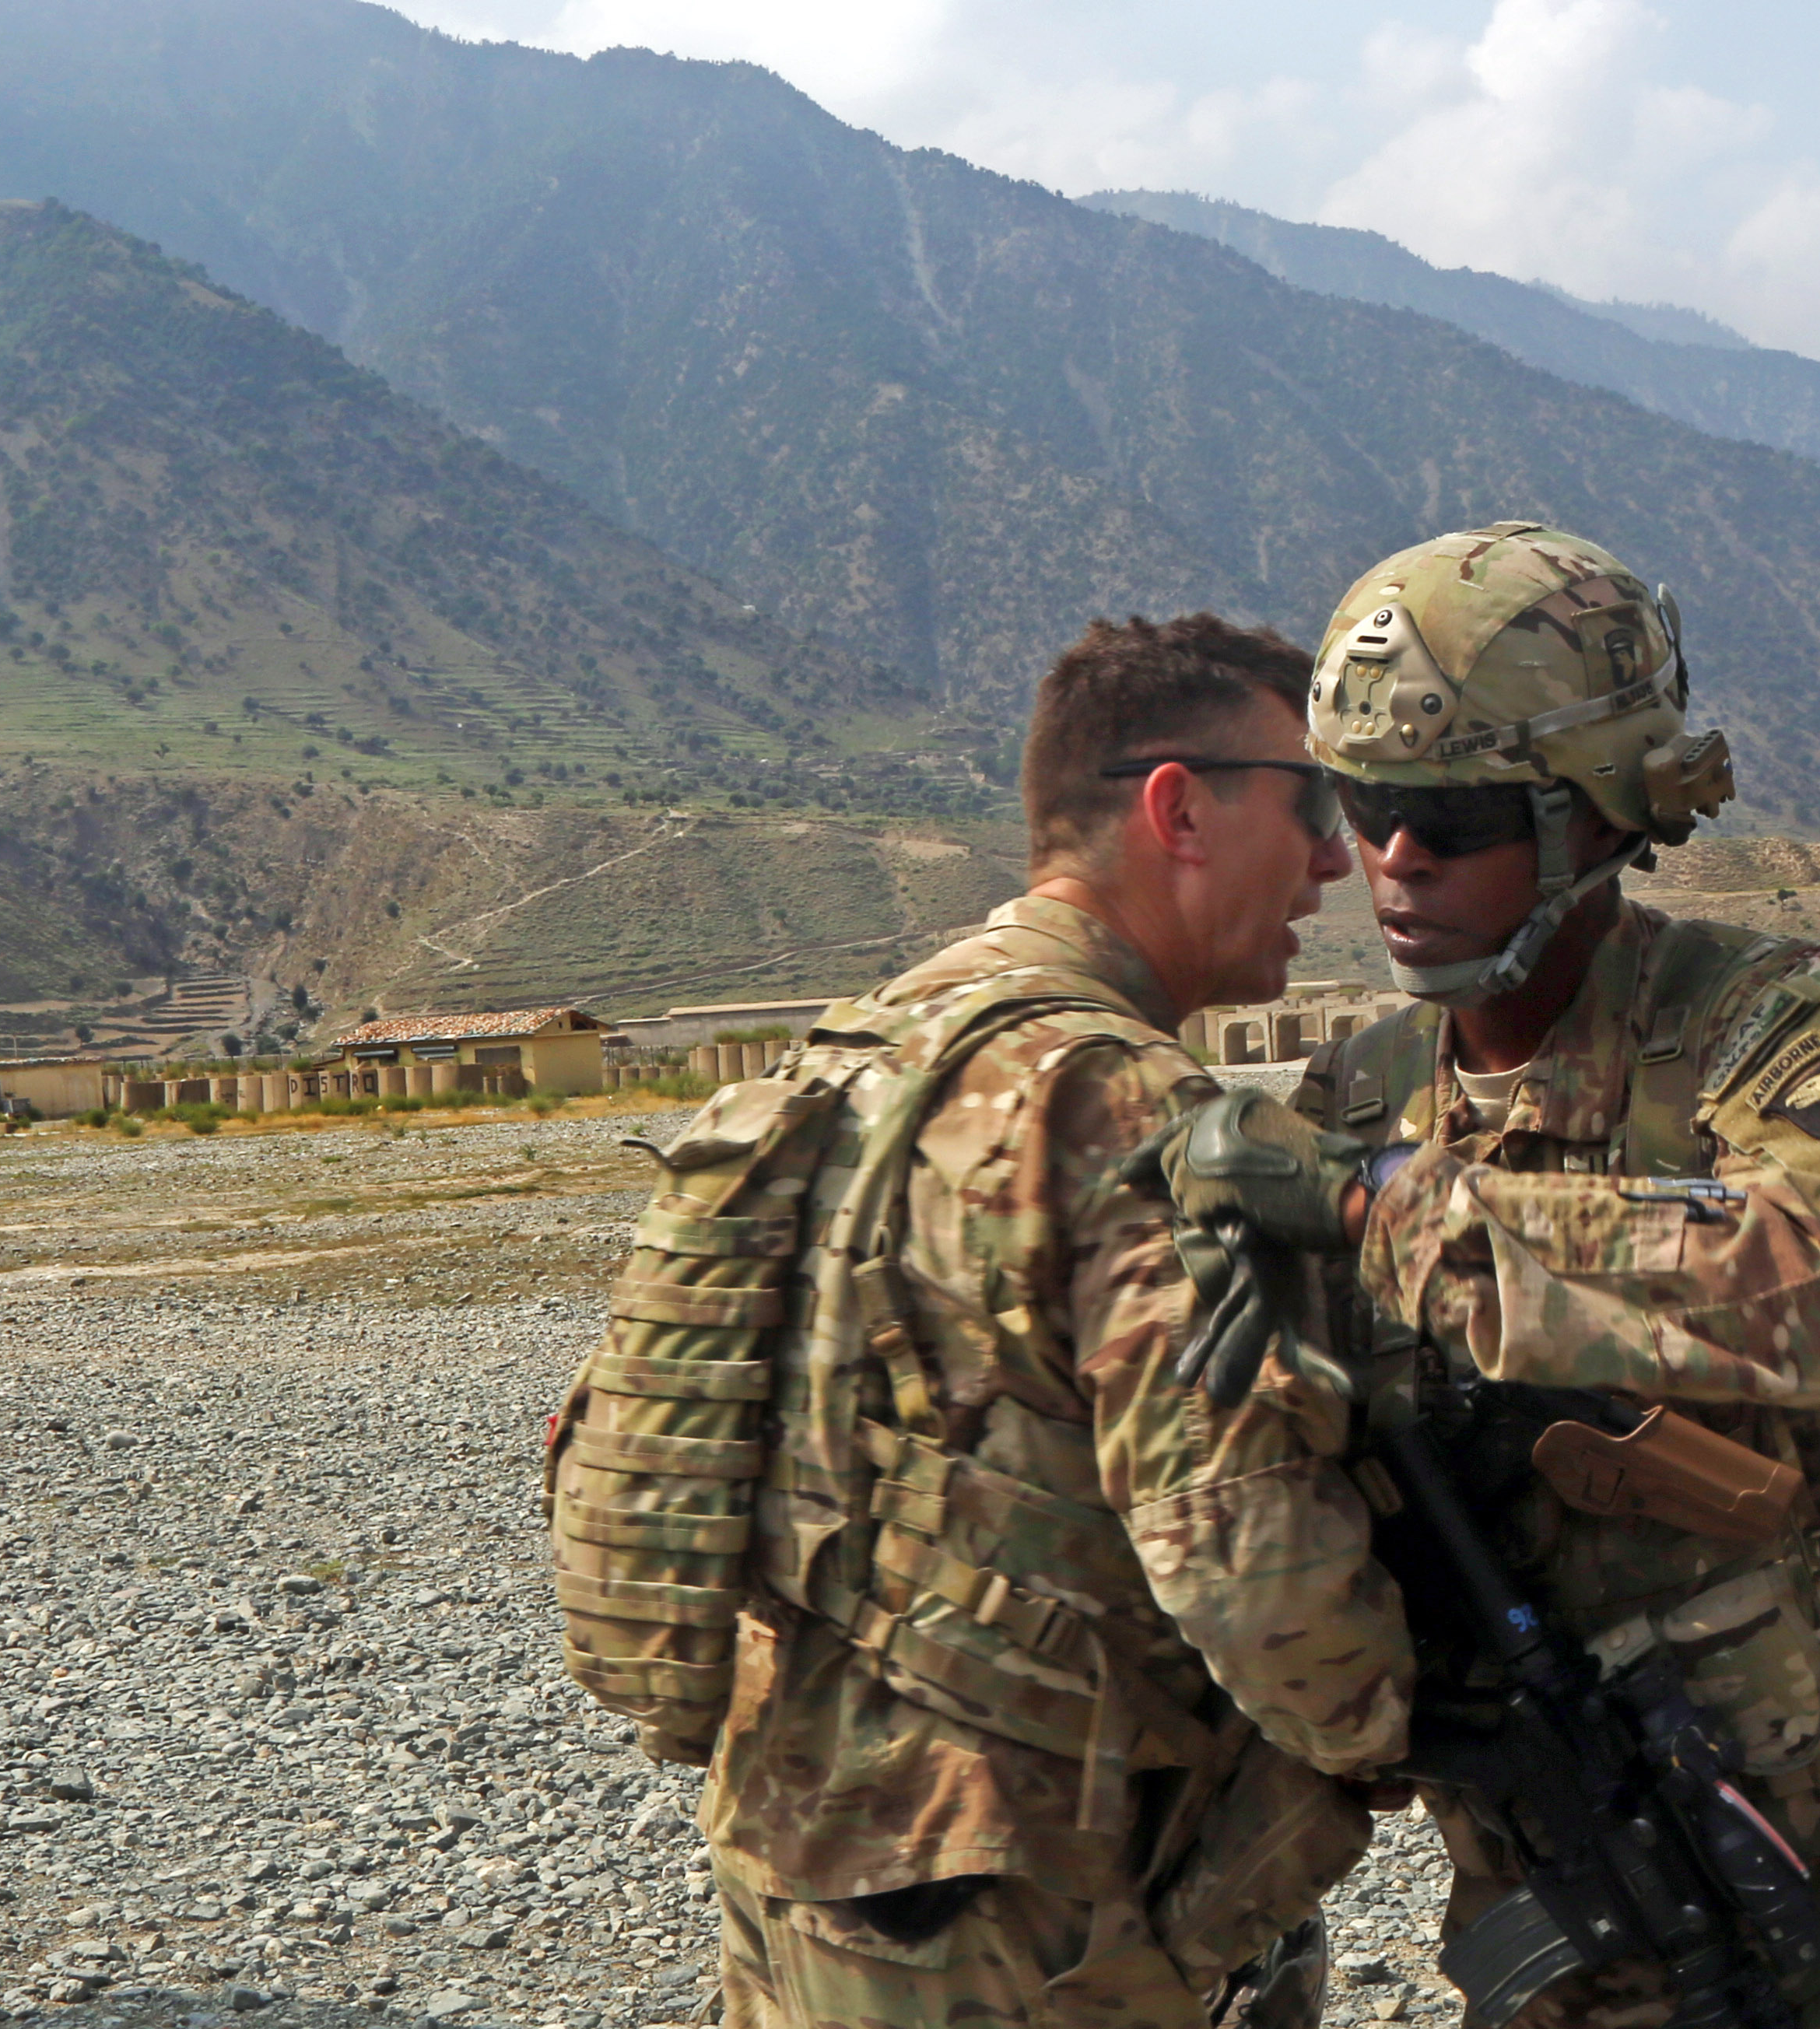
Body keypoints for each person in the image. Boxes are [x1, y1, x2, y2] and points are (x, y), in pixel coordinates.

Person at [1137, 524, 1820, 2029]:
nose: (1395, 862)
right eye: (1366, 807)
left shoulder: (1774, 1024)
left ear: (1600, 811)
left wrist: (1382, 1211)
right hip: (1559, 1861)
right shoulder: (1363, 1096)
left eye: (1454, 815)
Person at [545, 614, 1413, 2029]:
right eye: (1315, 803)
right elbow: (1244, 1560)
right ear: (1179, 809)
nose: (1337, 859)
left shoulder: (866, 1046)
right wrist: (1396, 1724)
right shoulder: (1123, 1106)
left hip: (799, 1833)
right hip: (1017, 1897)